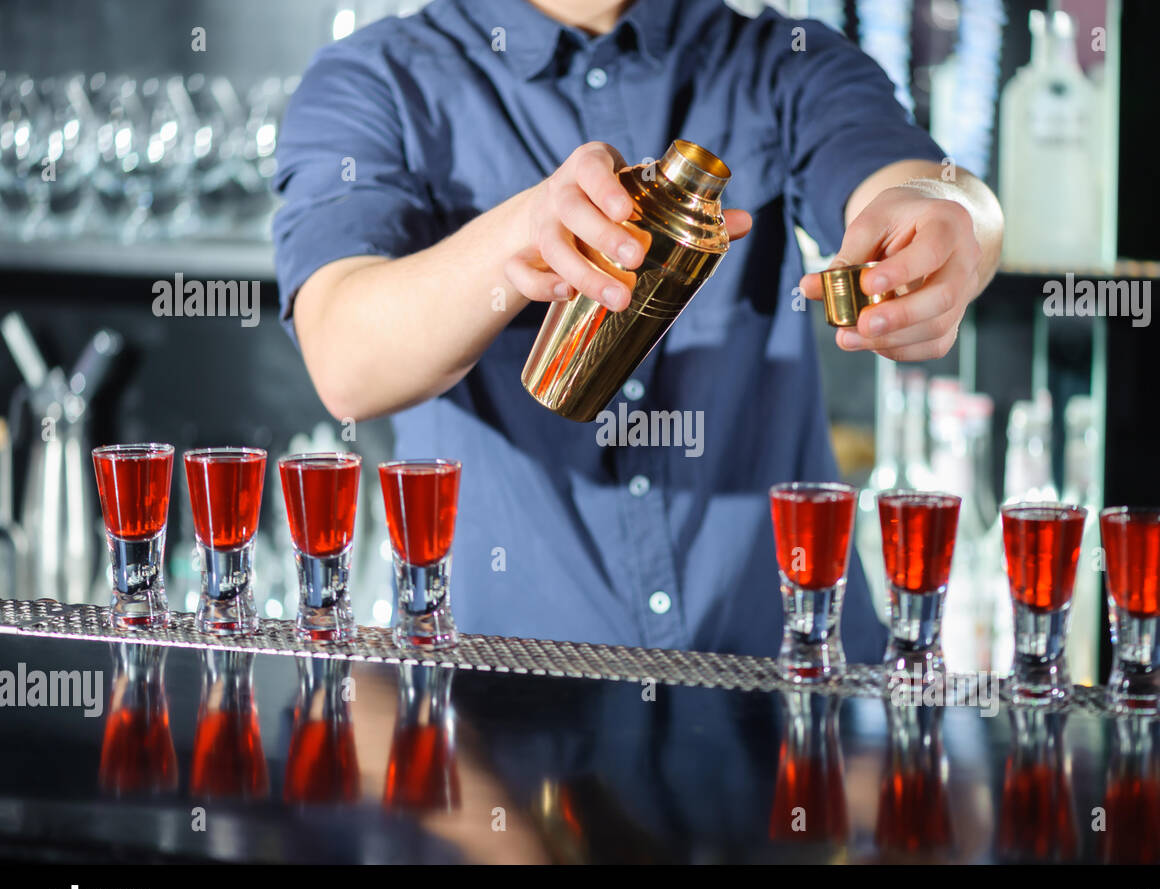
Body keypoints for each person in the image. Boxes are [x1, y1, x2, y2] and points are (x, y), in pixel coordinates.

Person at [272, 0, 1003, 663]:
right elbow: (345, 357)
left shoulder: (785, 60)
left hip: (791, 704)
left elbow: (928, 181)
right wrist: (520, 237)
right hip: (509, 722)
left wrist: (951, 219)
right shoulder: (377, 78)